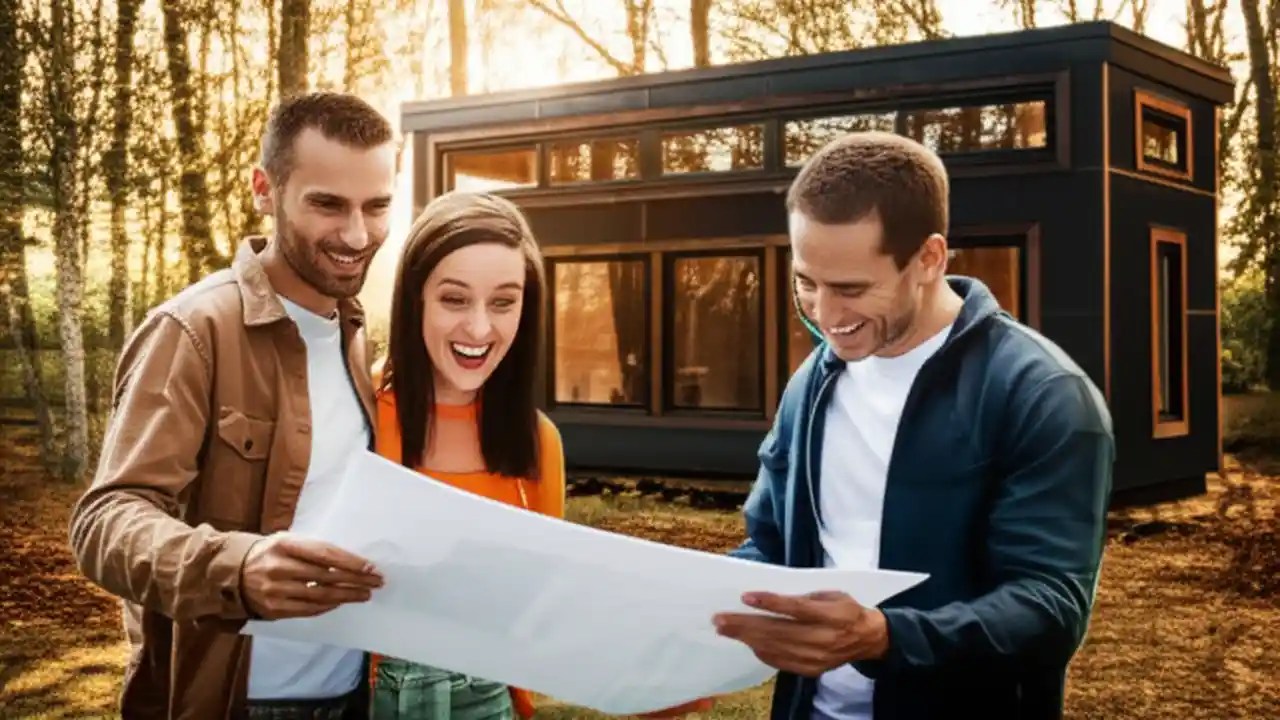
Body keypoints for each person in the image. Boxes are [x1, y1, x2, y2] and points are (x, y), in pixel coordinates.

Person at [709, 131, 1115, 719]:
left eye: (851, 288)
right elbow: (771, 544)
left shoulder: (1043, 395)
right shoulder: (813, 383)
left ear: (929, 258)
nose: (824, 315)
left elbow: (1049, 609)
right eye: (806, 281)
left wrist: (885, 637)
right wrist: (686, 598)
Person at [68, 90, 400, 720]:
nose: (357, 235)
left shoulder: (358, 337)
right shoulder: (192, 330)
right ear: (264, 190)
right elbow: (105, 522)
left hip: (355, 696)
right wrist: (238, 566)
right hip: (232, 701)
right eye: (327, 204)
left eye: (377, 206)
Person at [364, 191, 563, 720]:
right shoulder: (355, 418)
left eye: (503, 302)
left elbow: (542, 607)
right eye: (454, 299)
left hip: (490, 699)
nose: (479, 329)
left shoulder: (537, 442)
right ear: (414, 300)